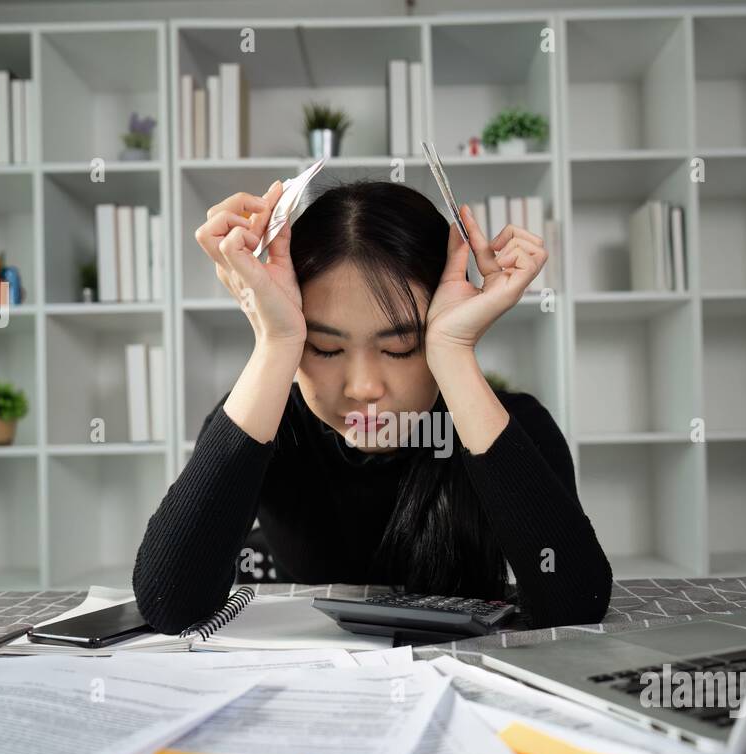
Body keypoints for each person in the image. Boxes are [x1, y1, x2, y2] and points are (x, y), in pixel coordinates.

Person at [132, 177, 612, 634]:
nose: (363, 387)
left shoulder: (512, 428)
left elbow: (575, 607)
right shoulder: (265, 419)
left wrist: (455, 351)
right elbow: (170, 603)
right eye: (323, 347)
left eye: (401, 347)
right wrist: (274, 340)